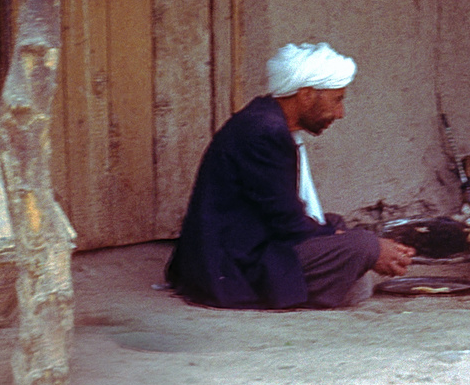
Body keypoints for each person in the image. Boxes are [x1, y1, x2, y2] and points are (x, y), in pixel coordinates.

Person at [166, 42, 414, 309]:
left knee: (343, 231)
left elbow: (281, 212)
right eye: (337, 100)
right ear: (306, 94)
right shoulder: (265, 133)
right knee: (362, 245)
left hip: (245, 244)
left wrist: (336, 233)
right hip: (237, 265)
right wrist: (360, 245)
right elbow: (288, 224)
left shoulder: (265, 119)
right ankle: (339, 279)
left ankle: (346, 274)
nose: (340, 113)